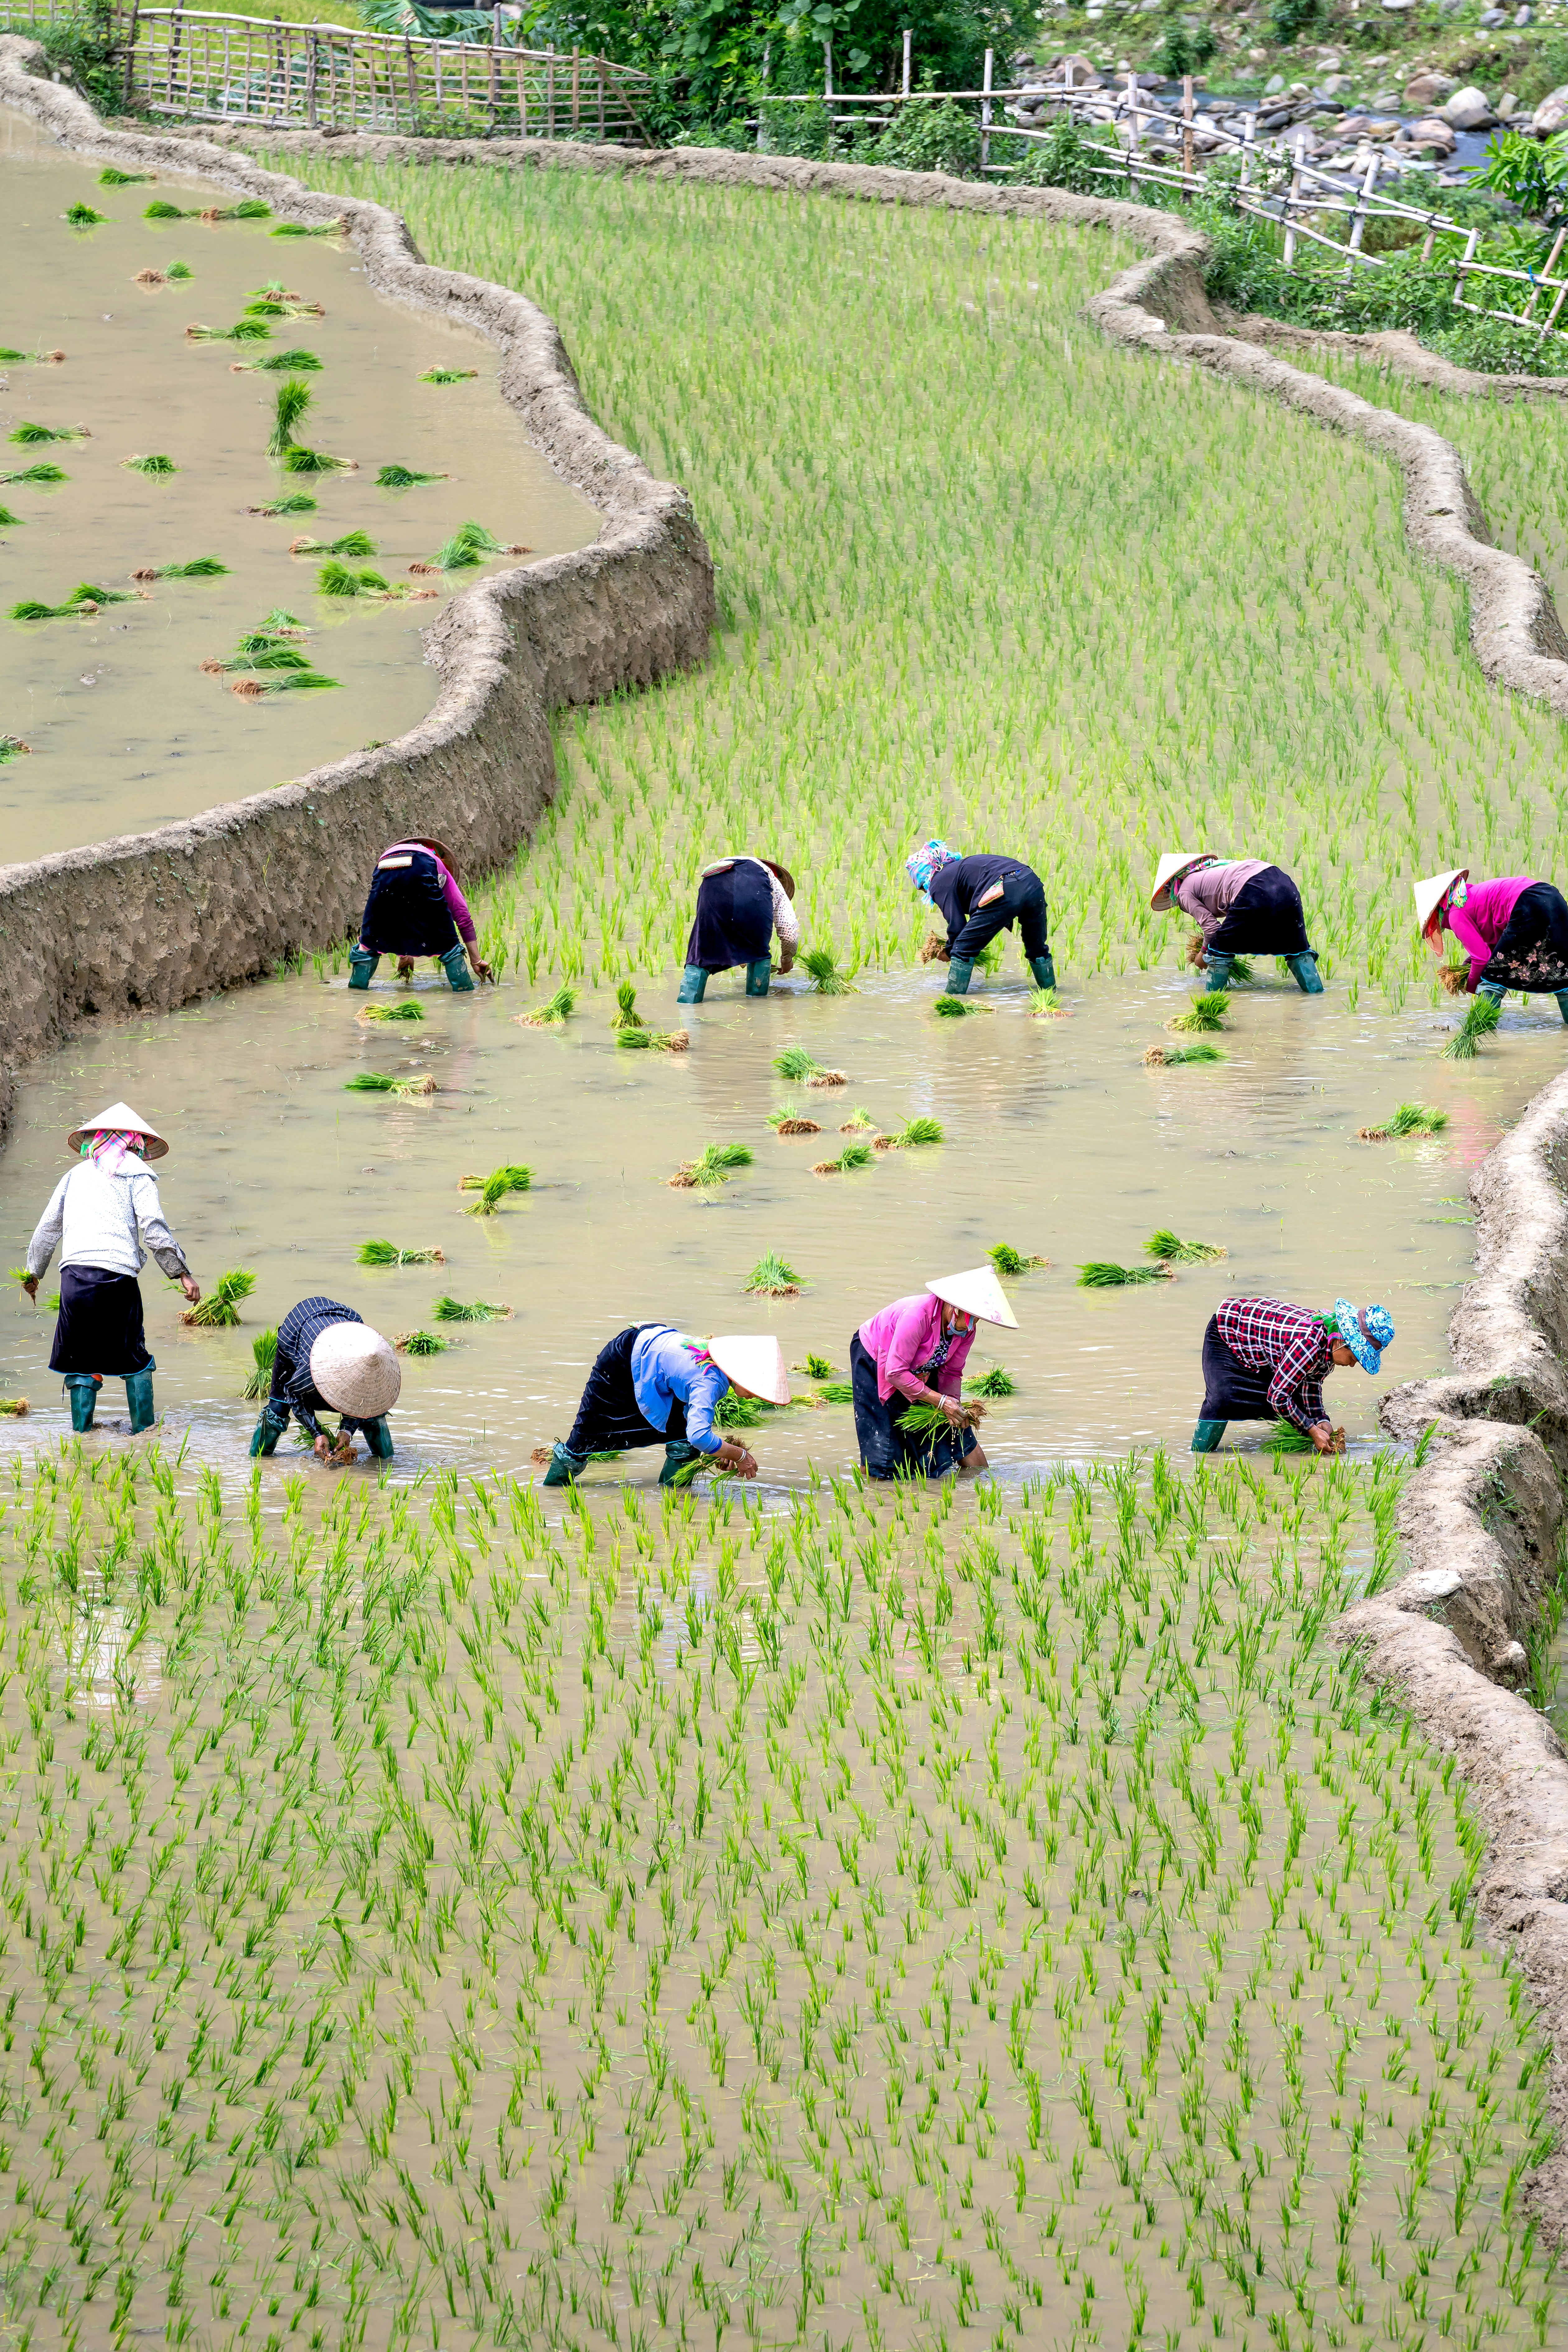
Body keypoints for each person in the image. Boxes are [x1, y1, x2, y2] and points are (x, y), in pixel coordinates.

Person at [24, 1101, 200, 1434]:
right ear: (135, 1142)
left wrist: (34, 1273)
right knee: (135, 1358)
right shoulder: (138, 1175)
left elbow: (48, 1227)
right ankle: (146, 1432)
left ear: (97, 1140)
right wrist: (181, 1273)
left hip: (73, 1278)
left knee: (80, 1359)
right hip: (116, 1278)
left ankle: (81, 1435)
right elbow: (153, 1227)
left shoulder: (73, 1175)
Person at [542, 1328, 790, 1485]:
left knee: (683, 1439)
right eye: (756, 1390)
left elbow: (694, 1430)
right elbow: (700, 1435)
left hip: (652, 1358)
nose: (753, 1397)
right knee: (584, 1438)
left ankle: (673, 1499)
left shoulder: (716, 1368)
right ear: (741, 1373)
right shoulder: (711, 1381)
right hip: (621, 1363)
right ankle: (553, 1494)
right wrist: (740, 1455)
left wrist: (718, 1451)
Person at [852, 1265, 1018, 1479]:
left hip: (920, 1366)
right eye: (970, 1319)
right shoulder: (917, 1315)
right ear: (955, 1309)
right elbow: (895, 1372)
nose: (971, 1327)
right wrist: (940, 1402)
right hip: (877, 1360)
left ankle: (980, 1479)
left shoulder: (966, 1330)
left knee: (953, 1428)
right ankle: (873, 1490)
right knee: (885, 1438)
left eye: (977, 1321)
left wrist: (952, 1404)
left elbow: (952, 1371)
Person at [1191, 1295, 1394, 1454]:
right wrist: (1311, 1430)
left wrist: (1320, 1419)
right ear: (1343, 1342)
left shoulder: (1330, 1345)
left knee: (1295, 1399)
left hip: (1262, 1345)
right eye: (1353, 1357)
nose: (1351, 1365)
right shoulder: (1308, 1342)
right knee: (1223, 1397)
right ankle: (1200, 1454)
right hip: (1227, 1330)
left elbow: (1311, 1384)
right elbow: (1277, 1397)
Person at [250, 1298, 400, 1462]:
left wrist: (347, 1431)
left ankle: (386, 1463)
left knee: (373, 1413)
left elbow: (364, 1404)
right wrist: (317, 1434)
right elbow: (292, 1394)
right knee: (278, 1408)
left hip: (346, 1320)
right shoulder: (312, 1368)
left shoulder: (373, 1364)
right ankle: (257, 1461)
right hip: (297, 1328)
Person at [1150, 853, 1322, 993]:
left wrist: (1202, 957)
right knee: (1296, 945)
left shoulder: (1184, 892)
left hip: (1252, 889)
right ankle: (1316, 996)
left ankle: (1213, 1001)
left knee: (1220, 949)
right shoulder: (1214, 870)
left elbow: (1212, 929)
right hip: (1284, 883)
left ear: (1171, 887)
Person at [906, 839, 1055, 998]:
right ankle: (1050, 996)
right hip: (1031, 882)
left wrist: (949, 952)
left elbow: (957, 926)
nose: (925, 891)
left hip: (1004, 887)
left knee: (962, 950)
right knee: (1037, 948)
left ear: (923, 879)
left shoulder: (938, 881)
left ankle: (954, 1001)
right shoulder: (957, 870)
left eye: (921, 888)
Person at [1415, 868, 1568, 1020]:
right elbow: (1503, 942)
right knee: (1563, 973)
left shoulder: (1456, 913)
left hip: (1526, 904)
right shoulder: (1473, 896)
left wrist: (1472, 984)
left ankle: (1481, 1033)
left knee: (1492, 978)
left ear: (1436, 912)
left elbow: (1482, 958)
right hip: (1551, 897)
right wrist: (1471, 962)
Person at [348, 838, 492, 993]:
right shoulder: (436, 863)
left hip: (383, 870)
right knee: (448, 941)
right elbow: (462, 916)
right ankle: (465, 993)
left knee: (371, 939)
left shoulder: (391, 856)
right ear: (435, 852)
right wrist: (476, 960)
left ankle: (357, 994)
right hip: (422, 867)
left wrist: (405, 955)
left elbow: (400, 914)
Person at [678, 856, 798, 1002]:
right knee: (759, 952)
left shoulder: (721, 868)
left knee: (701, 953)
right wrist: (787, 959)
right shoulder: (771, 879)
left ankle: (687, 1009)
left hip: (711, 883)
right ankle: (757, 1008)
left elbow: (731, 916)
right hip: (747, 907)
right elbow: (789, 931)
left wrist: (745, 957)